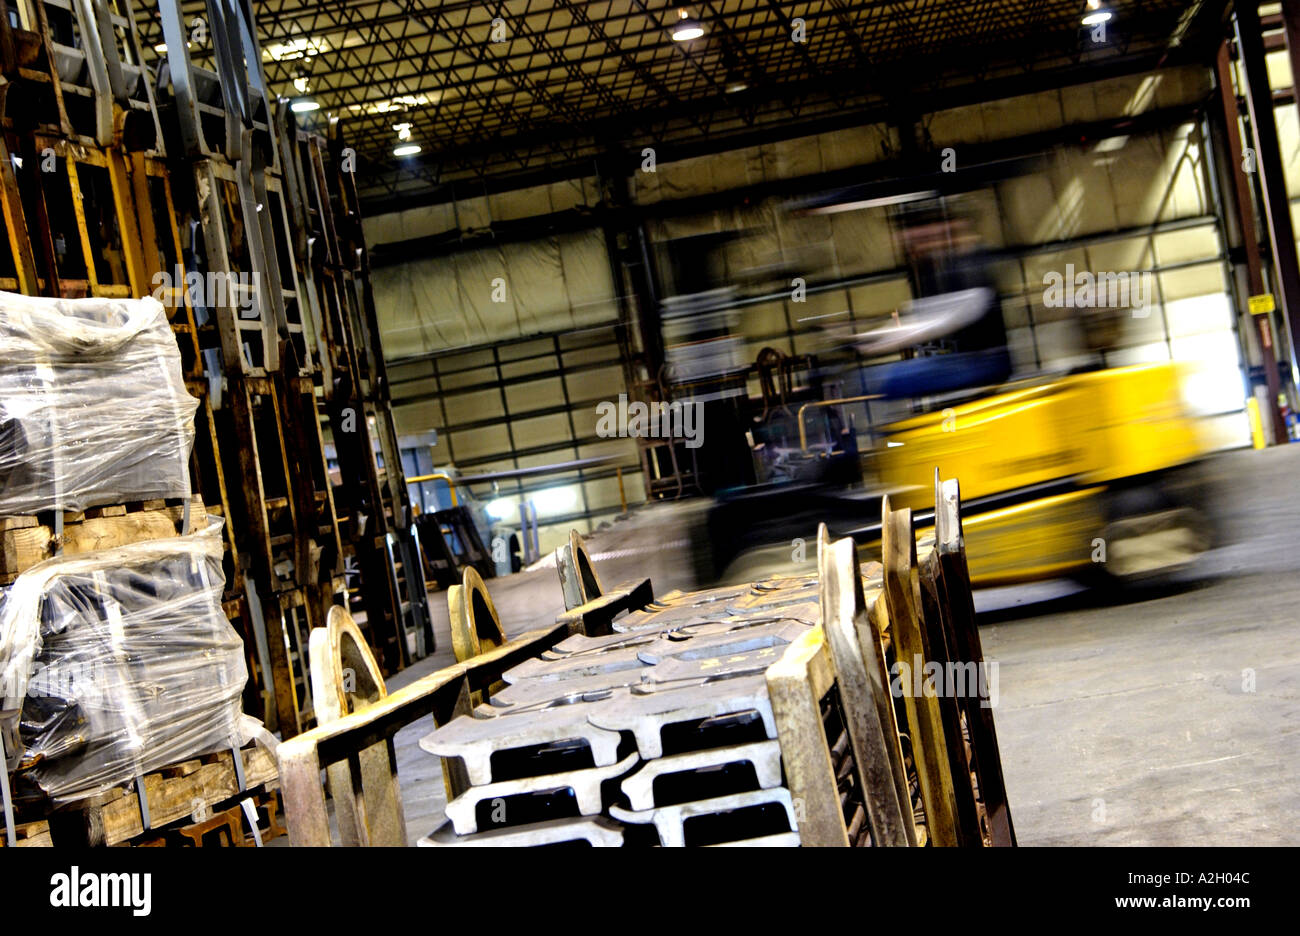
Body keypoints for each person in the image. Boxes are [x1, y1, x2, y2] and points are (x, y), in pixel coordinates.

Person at [856, 208, 1011, 399]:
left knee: (884, 379)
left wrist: (876, 344)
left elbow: (939, 322)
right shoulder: (939, 268)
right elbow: (921, 315)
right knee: (886, 378)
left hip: (987, 363)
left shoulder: (971, 265)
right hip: (967, 360)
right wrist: (868, 337)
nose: (916, 248)